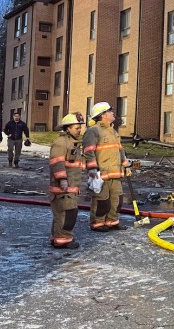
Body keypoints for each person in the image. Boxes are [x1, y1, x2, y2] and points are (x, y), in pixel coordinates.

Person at [82, 102, 130, 232]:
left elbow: (119, 149)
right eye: (110, 111)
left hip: (115, 172)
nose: (113, 113)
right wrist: (93, 170)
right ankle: (97, 223)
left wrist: (125, 163)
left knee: (117, 200)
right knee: (101, 201)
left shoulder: (113, 131)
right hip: (101, 173)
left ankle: (112, 221)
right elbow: (88, 151)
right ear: (103, 115)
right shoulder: (93, 131)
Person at [48, 112, 86, 249]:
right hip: (63, 188)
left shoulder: (73, 143)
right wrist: (62, 179)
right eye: (77, 127)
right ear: (68, 128)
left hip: (70, 187)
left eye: (80, 127)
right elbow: (57, 163)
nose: (80, 130)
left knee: (62, 214)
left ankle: (57, 237)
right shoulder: (61, 143)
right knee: (68, 213)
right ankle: (63, 240)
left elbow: (77, 164)